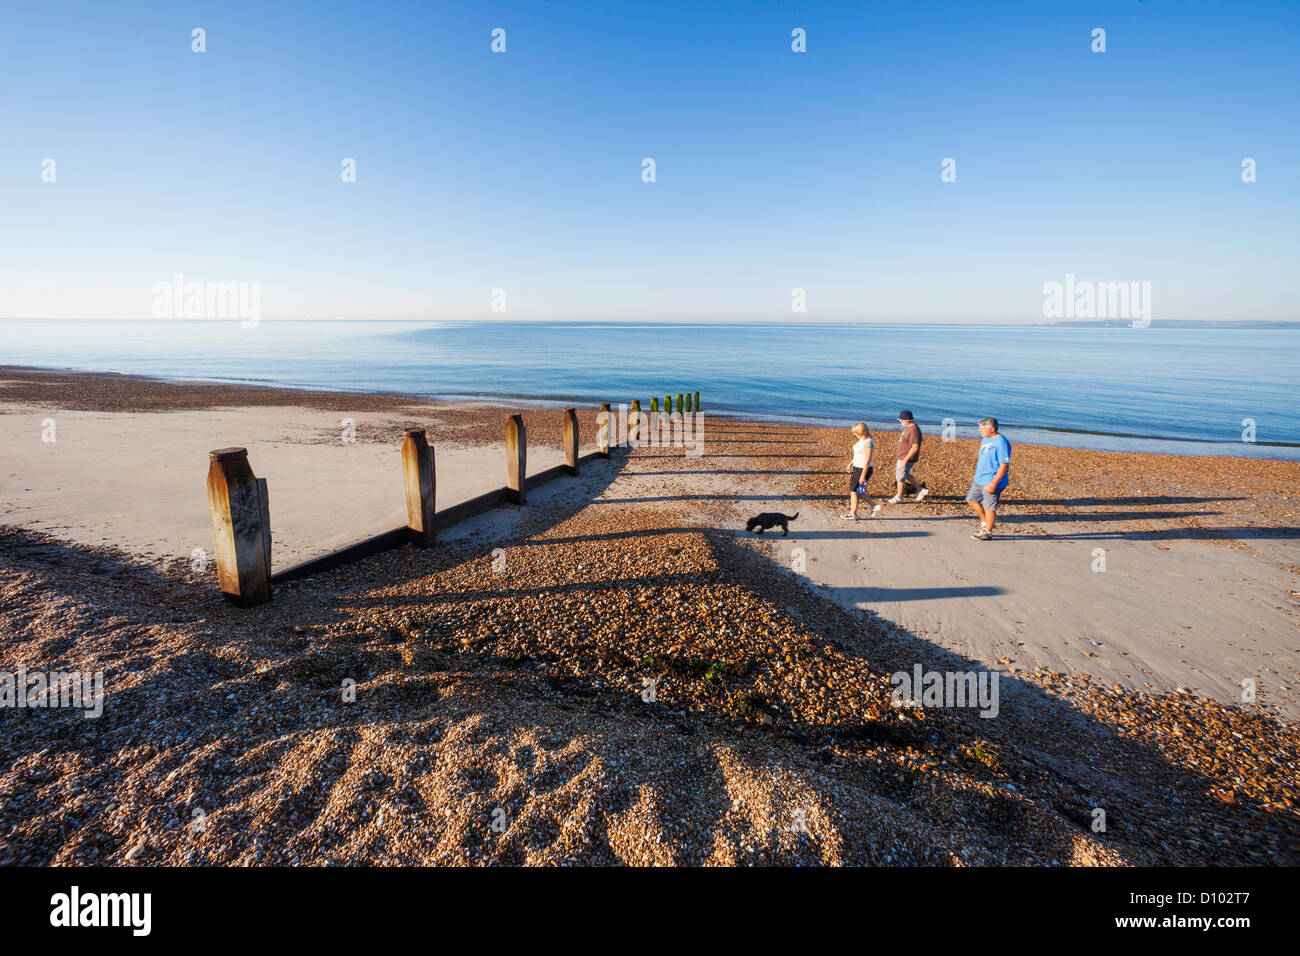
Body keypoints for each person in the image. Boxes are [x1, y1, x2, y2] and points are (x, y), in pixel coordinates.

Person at [967, 416, 1010, 540]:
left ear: (992, 429)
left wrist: (994, 483)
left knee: (989, 507)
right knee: (971, 500)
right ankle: (984, 521)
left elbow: (1004, 466)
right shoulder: (985, 439)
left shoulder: (1001, 442)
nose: (980, 430)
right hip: (979, 478)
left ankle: (988, 532)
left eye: (983, 428)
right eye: (980, 428)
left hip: (992, 480)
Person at [843, 422, 883, 520]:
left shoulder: (868, 442)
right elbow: (858, 454)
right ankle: (874, 506)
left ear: (862, 432)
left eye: (856, 433)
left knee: (853, 491)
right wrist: (850, 463)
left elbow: (867, 460)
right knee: (858, 492)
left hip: (863, 470)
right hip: (857, 468)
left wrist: (863, 476)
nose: (854, 434)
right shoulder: (862, 440)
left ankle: (853, 514)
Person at [887, 410, 929, 504]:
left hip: (906, 458)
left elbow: (915, 448)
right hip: (903, 456)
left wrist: (905, 460)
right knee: (905, 474)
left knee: (900, 477)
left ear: (907, 420)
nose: (900, 422)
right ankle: (921, 489)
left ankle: (899, 497)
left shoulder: (914, 430)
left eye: (901, 420)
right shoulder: (909, 427)